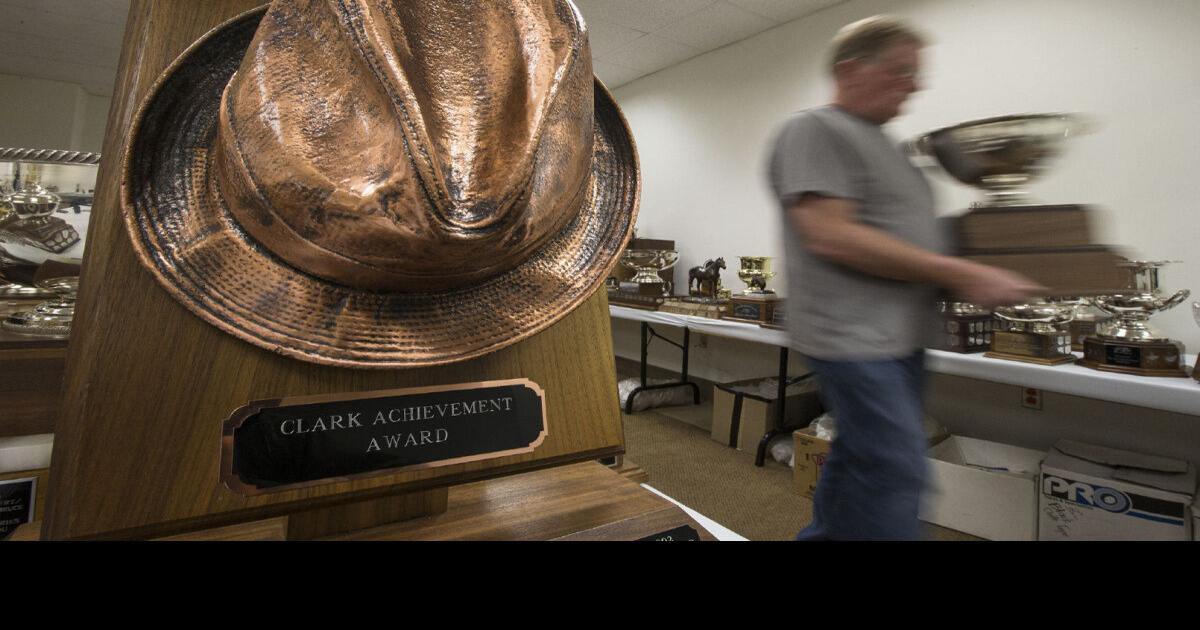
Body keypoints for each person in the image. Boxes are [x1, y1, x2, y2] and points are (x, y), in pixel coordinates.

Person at [766, 15, 1043, 540]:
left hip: (899, 339)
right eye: (899, 71)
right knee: (895, 469)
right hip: (850, 337)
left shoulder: (891, 149)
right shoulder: (815, 129)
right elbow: (830, 234)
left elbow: (910, 240)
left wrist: (999, 240)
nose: (914, 85)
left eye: (915, 74)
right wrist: (956, 269)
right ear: (851, 70)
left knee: (861, 461)